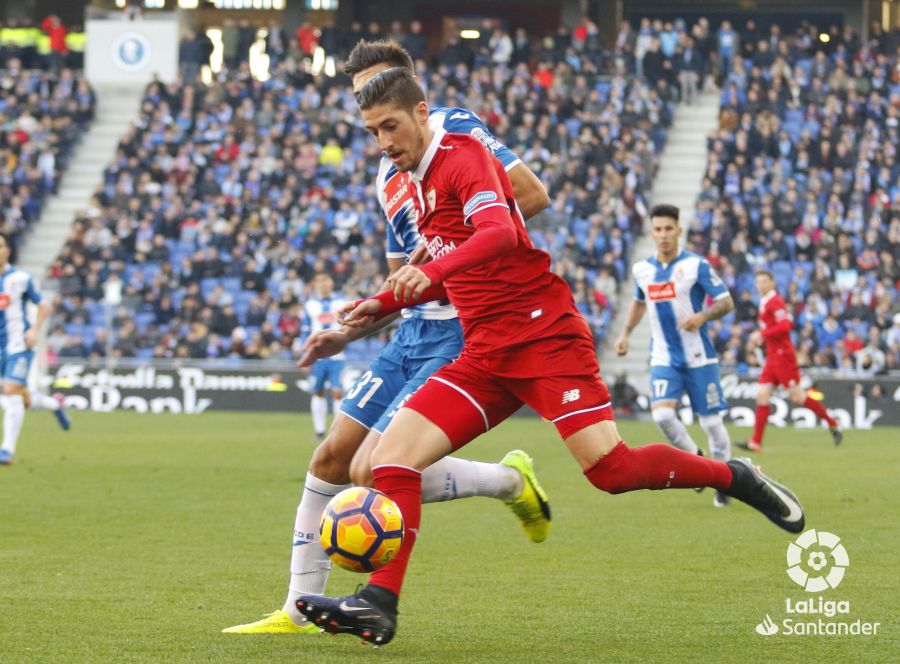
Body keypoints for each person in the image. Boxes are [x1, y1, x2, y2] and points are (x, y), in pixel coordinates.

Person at [294, 67, 805, 646]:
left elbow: (501, 235)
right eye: (371, 132)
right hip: (484, 352)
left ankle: (734, 476)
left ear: (420, 112)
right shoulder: (413, 179)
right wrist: (378, 303)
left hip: (543, 339)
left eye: (389, 126)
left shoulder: (462, 154)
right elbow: (450, 270)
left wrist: (429, 269)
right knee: (392, 461)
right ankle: (379, 603)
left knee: (611, 472)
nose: (384, 143)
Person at [221, 40, 552, 635]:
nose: (373, 114)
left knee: (375, 468)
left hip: (462, 328)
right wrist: (349, 332)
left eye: (382, 95)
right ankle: (295, 610)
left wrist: (444, 247)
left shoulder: (456, 130)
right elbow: (402, 281)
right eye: (361, 104)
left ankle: (506, 482)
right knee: (331, 457)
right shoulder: (387, 173)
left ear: (410, 89)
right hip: (411, 333)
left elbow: (530, 197)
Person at [613, 205, 735, 508]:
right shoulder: (642, 270)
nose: (664, 235)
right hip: (664, 357)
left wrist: (702, 316)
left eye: (669, 228)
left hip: (698, 358)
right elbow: (639, 302)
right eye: (658, 229)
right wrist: (626, 332)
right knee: (663, 415)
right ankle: (697, 462)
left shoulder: (697, 266)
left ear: (679, 230)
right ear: (652, 233)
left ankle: (724, 482)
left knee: (711, 424)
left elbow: (726, 301)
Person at [735, 271, 842, 452]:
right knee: (762, 395)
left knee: (797, 396)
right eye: (758, 282)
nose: (760, 285)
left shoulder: (775, 301)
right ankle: (755, 442)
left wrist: (762, 334)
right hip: (772, 356)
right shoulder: (764, 301)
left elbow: (786, 325)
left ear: (772, 283)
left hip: (783, 356)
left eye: (764, 281)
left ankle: (833, 423)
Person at [0, 233, 70, 466]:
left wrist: (34, 332)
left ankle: (6, 450)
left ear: (7, 250)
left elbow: (43, 306)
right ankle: (54, 404)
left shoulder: (20, 278)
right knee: (16, 396)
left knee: (11, 390)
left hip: (19, 345)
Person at [302, 272, 347, 440]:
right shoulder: (310, 305)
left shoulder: (341, 303)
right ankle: (319, 430)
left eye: (325, 280)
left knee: (337, 392)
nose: (322, 283)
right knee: (318, 391)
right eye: (319, 281)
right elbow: (305, 331)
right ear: (315, 284)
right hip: (317, 356)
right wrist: (305, 355)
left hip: (337, 355)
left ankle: (337, 432)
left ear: (331, 282)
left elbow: (349, 326)